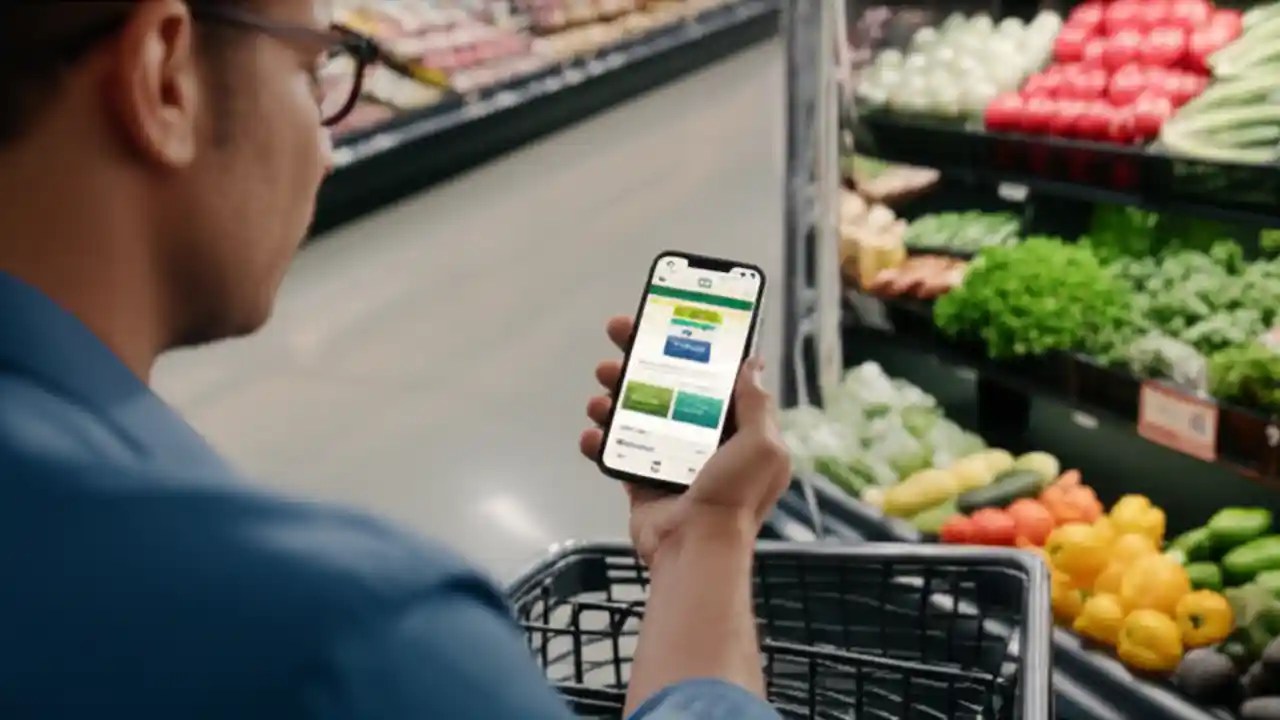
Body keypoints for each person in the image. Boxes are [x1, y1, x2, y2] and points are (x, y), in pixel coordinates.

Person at [0, 2, 792, 718]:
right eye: (312, 72)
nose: (326, 153)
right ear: (164, 78)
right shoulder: (347, 644)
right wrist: (711, 538)